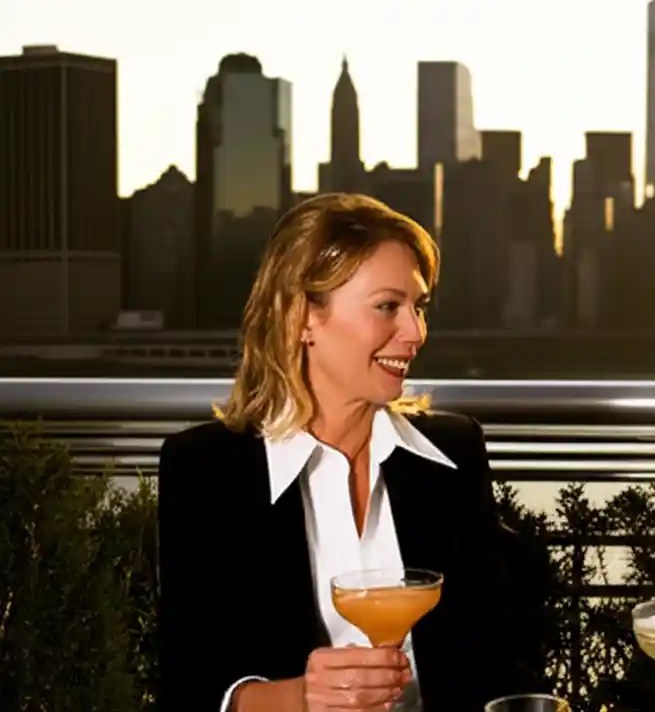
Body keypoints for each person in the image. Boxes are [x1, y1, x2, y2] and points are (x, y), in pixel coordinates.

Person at [159, 193, 546, 711]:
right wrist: (302, 697)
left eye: (419, 307)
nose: (415, 333)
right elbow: (191, 687)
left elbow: (498, 666)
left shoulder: (453, 454)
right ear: (302, 318)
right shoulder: (207, 470)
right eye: (388, 306)